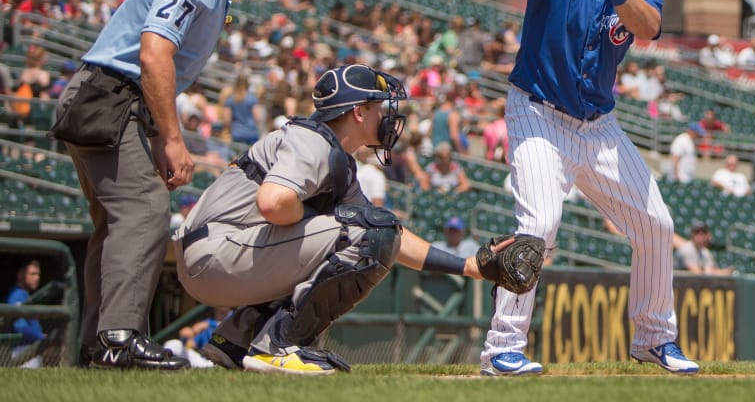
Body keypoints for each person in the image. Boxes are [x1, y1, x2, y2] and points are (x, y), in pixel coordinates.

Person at [52, 0, 283, 371]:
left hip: (107, 95)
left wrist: (158, 132)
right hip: (110, 96)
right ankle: (117, 338)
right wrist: (173, 137)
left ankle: (102, 344)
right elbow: (154, 52)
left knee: (117, 223)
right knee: (144, 210)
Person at [479, 0, 697, 375]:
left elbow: (648, 25)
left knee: (656, 225)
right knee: (539, 225)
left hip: (599, 125)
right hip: (538, 111)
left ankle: (654, 339)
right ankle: (501, 349)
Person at [176, 63, 514, 375]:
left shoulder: (334, 156)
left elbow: (392, 237)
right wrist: (310, 217)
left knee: (370, 229)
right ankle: (278, 346)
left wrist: (467, 265)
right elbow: (273, 203)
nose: (385, 116)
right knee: (366, 232)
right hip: (217, 252)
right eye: (378, 107)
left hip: (218, 254)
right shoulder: (312, 143)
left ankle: (237, 339)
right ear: (358, 112)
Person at [7, 260, 46, 368]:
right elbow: (20, 327)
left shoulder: (24, 294)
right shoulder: (17, 295)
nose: (37, 278)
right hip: (23, 351)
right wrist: (41, 336)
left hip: (30, 350)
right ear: (20, 274)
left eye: (38, 274)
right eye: (32, 274)